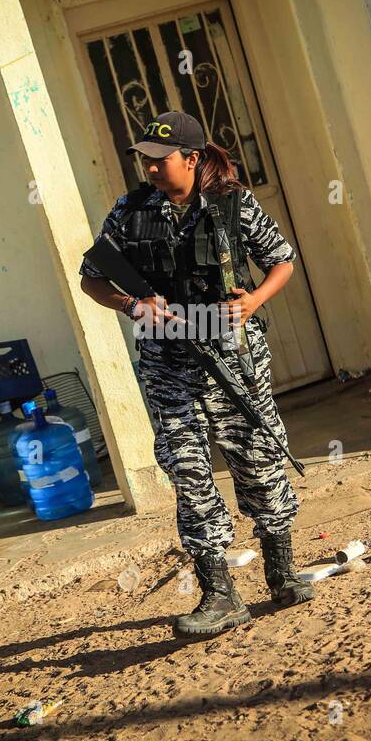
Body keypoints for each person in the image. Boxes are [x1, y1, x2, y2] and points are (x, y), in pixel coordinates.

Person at [79, 111, 313, 638]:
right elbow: (92, 278)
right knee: (188, 470)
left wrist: (253, 300)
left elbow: (282, 260)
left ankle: (281, 571)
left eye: (161, 160)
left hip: (231, 351)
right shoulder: (130, 212)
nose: (152, 168)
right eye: (145, 159)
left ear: (192, 158)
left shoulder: (233, 203)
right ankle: (219, 593)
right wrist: (134, 305)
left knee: (258, 454)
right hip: (167, 359)